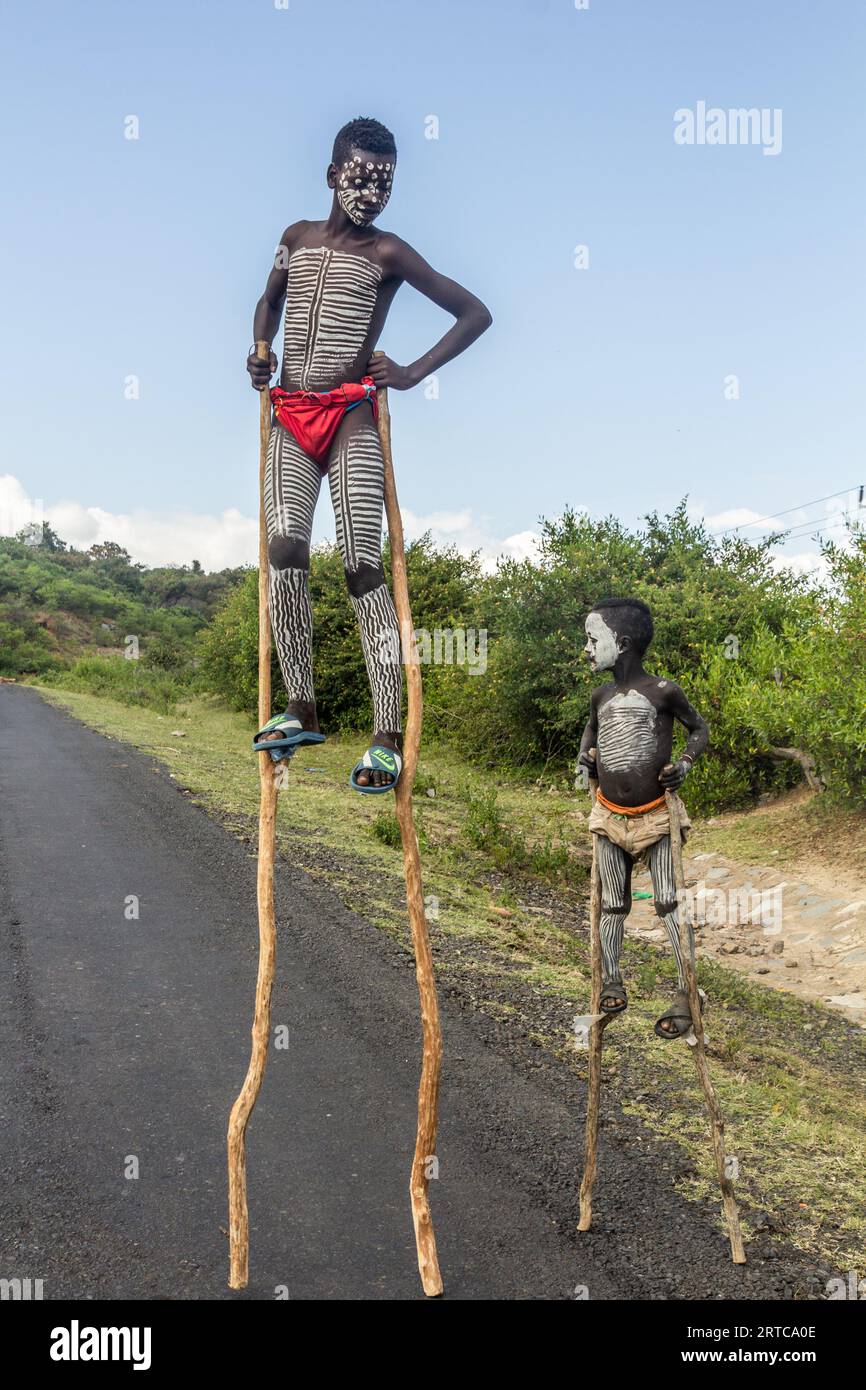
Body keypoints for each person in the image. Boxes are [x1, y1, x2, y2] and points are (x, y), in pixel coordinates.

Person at [247, 116, 492, 792]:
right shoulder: (294, 240)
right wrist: (260, 353)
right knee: (285, 545)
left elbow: (474, 312)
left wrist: (410, 372)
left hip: (353, 414)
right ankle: (301, 707)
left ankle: (385, 736)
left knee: (361, 564)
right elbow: (265, 307)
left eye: (384, 183)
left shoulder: (389, 254)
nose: (372, 194)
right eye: (360, 178)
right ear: (332, 176)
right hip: (290, 415)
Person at [577, 598, 709, 1037]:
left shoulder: (664, 691)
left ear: (624, 643)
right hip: (610, 817)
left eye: (593, 640)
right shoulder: (600, 696)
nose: (586, 649)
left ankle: (686, 993)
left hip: (656, 817)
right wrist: (586, 760)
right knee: (612, 904)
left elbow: (699, 728)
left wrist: (684, 765)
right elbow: (591, 732)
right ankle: (610, 980)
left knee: (669, 902)